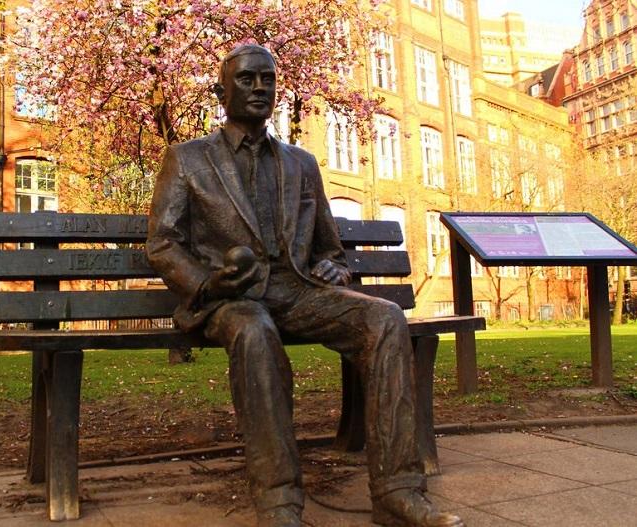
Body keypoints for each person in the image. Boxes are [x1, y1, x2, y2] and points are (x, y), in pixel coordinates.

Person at [146, 44, 464, 527]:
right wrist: (209, 282)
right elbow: (164, 244)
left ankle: (397, 490)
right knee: (254, 332)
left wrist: (335, 268)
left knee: (384, 317)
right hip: (229, 298)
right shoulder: (187, 159)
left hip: (296, 291)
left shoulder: (301, 163)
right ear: (220, 91)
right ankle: (279, 502)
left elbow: (328, 249)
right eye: (247, 79)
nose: (259, 88)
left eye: (267, 80)